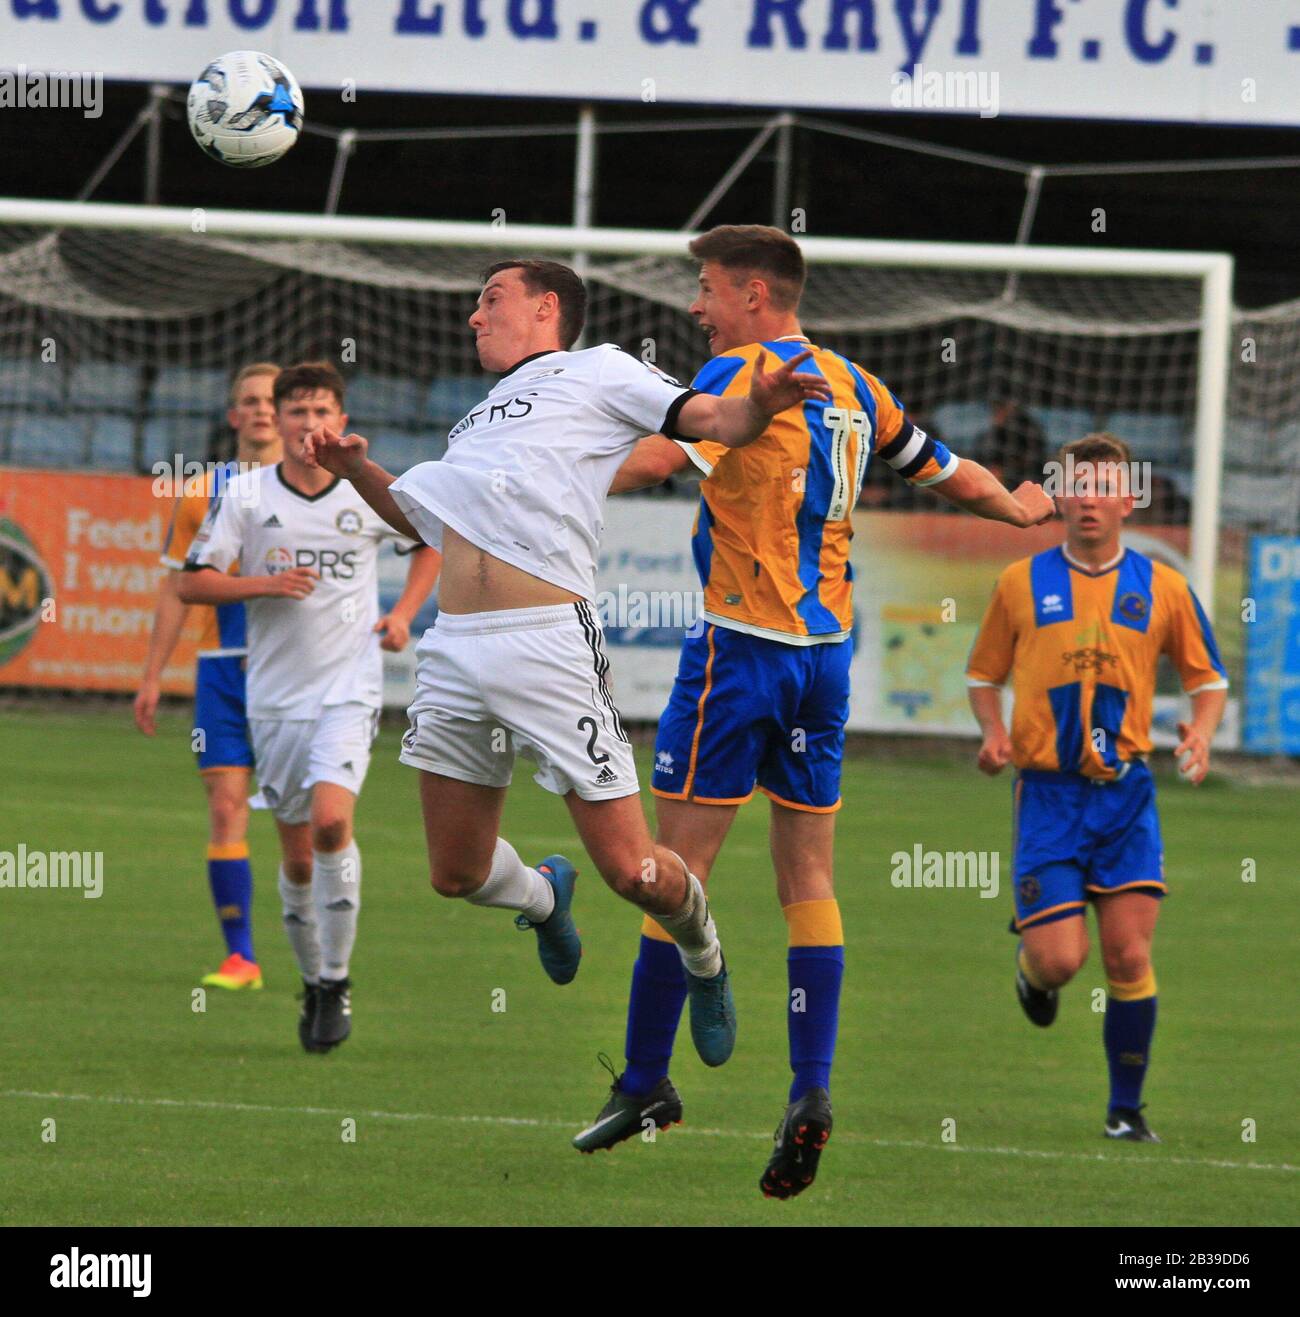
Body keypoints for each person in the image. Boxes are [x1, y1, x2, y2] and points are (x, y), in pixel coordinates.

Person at [576, 224, 1055, 1200]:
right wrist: (1015, 506)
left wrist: (545, 465)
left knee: (668, 871)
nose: (696, 306)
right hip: (825, 660)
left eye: (707, 288)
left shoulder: (740, 371)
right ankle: (808, 1088)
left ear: (754, 295)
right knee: (807, 876)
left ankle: (645, 1079)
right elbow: (948, 468)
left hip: (738, 654)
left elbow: (656, 463)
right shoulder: (855, 384)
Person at [303, 258, 832, 1075]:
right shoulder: (476, 421)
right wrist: (354, 472)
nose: (474, 317)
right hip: (454, 650)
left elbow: (712, 421)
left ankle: (704, 954)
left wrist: (756, 405)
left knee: (635, 870)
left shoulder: (600, 369)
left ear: (548, 307)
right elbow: (416, 518)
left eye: (491, 299)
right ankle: (546, 895)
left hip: (546, 642)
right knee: (455, 873)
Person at [966, 432, 1228, 1142]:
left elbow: (1208, 681)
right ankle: (1034, 971)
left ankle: (1125, 1109)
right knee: (1061, 959)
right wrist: (993, 732)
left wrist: (1199, 733)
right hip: (1047, 796)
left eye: (1102, 487)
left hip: (1126, 797)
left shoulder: (1163, 587)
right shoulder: (1020, 582)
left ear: (1128, 499)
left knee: (1128, 956)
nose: (1087, 498)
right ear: (1060, 495)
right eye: (1076, 486)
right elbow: (983, 675)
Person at [178, 361, 440, 1052]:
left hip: (347, 691)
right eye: (293, 411)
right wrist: (263, 583)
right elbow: (193, 583)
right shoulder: (245, 496)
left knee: (331, 823)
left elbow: (429, 543)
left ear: (339, 424)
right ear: (282, 422)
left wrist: (403, 615)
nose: (305, 423)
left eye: (319, 410)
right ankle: (313, 979)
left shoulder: (367, 490)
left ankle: (339, 976)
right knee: (297, 859)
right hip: (273, 699)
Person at [134, 362, 280, 992]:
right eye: (250, 400)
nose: (263, 410)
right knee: (226, 810)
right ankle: (240, 957)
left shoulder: (321, 486)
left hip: (298, 673)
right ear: (234, 416)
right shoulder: (200, 492)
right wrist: (150, 676)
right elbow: (177, 590)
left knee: (316, 824)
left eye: (274, 400)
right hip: (222, 675)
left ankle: (327, 963)